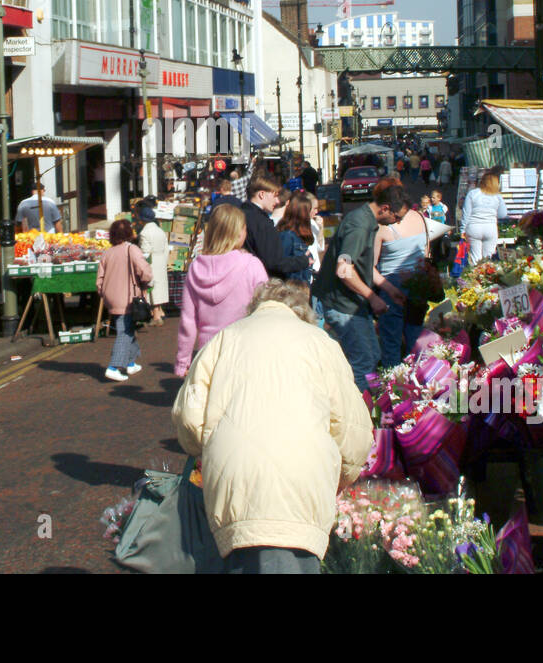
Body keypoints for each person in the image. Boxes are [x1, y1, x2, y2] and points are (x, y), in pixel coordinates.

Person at [171, 279, 374, 574]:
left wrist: (207, 451)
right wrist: (343, 476)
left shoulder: (223, 340)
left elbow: (188, 418)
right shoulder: (322, 344)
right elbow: (353, 429)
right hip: (304, 475)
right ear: (303, 314)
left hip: (235, 476)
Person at [312, 177, 408, 389]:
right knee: (364, 363)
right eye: (397, 217)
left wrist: (390, 289)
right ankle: (359, 414)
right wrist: (372, 297)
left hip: (352, 305)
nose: (397, 222)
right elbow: (344, 270)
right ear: (385, 208)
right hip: (343, 306)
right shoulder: (359, 225)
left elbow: (362, 267)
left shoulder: (367, 222)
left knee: (373, 355)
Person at [175, 204, 268, 377]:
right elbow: (267, 311)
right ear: (239, 233)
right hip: (245, 350)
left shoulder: (195, 269)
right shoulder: (252, 266)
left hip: (208, 352)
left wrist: (183, 361)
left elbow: (188, 321)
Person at [371, 193, 429, 367]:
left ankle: (394, 386)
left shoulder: (382, 227)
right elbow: (426, 253)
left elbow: (370, 266)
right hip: (419, 282)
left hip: (392, 285)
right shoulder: (420, 217)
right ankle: (420, 382)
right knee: (416, 339)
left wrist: (384, 288)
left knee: (391, 343)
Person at [96, 219, 153, 382]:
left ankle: (130, 362)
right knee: (125, 331)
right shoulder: (132, 249)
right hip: (127, 297)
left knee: (128, 327)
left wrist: (104, 293)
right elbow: (145, 271)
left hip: (111, 298)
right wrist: (147, 279)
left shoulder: (107, 253)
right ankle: (114, 366)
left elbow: (99, 280)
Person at [239, 174, 310, 279]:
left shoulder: (238, 215)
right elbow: (274, 263)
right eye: (274, 195)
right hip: (262, 283)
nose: (277, 201)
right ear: (262, 194)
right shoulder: (262, 223)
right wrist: (303, 261)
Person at [460, 171, 510, 265]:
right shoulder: (497, 196)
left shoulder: (472, 193)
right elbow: (503, 214)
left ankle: (475, 276)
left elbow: (466, 213)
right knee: (489, 259)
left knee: (475, 259)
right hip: (490, 227)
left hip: (474, 227)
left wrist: (463, 230)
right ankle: (487, 277)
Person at [135, 203, 170, 327]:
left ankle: (155, 315)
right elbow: (166, 248)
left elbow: (145, 252)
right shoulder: (160, 231)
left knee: (152, 287)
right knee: (160, 286)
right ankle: (160, 311)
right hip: (161, 260)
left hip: (152, 262)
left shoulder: (145, 233)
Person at [276, 193, 317, 287]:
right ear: (303, 213)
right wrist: (303, 261)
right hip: (293, 291)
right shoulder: (287, 236)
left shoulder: (299, 235)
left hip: (303, 288)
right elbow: (282, 265)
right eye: (311, 209)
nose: (315, 212)